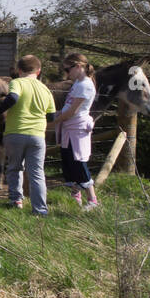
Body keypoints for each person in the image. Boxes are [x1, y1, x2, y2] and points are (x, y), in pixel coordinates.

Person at [0, 54, 56, 215]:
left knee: (14, 168)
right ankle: (40, 209)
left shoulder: (17, 82)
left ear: (19, 70)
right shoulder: (45, 89)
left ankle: (16, 200)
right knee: (37, 173)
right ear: (38, 71)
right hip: (38, 135)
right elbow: (52, 116)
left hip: (16, 133)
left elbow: (13, 97)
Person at [55, 52, 99, 209]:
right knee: (69, 162)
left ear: (78, 66)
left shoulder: (85, 85)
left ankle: (92, 200)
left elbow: (72, 111)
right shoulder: (77, 84)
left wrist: (53, 121)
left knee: (79, 162)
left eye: (68, 69)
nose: (67, 74)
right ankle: (76, 194)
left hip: (77, 129)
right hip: (69, 128)